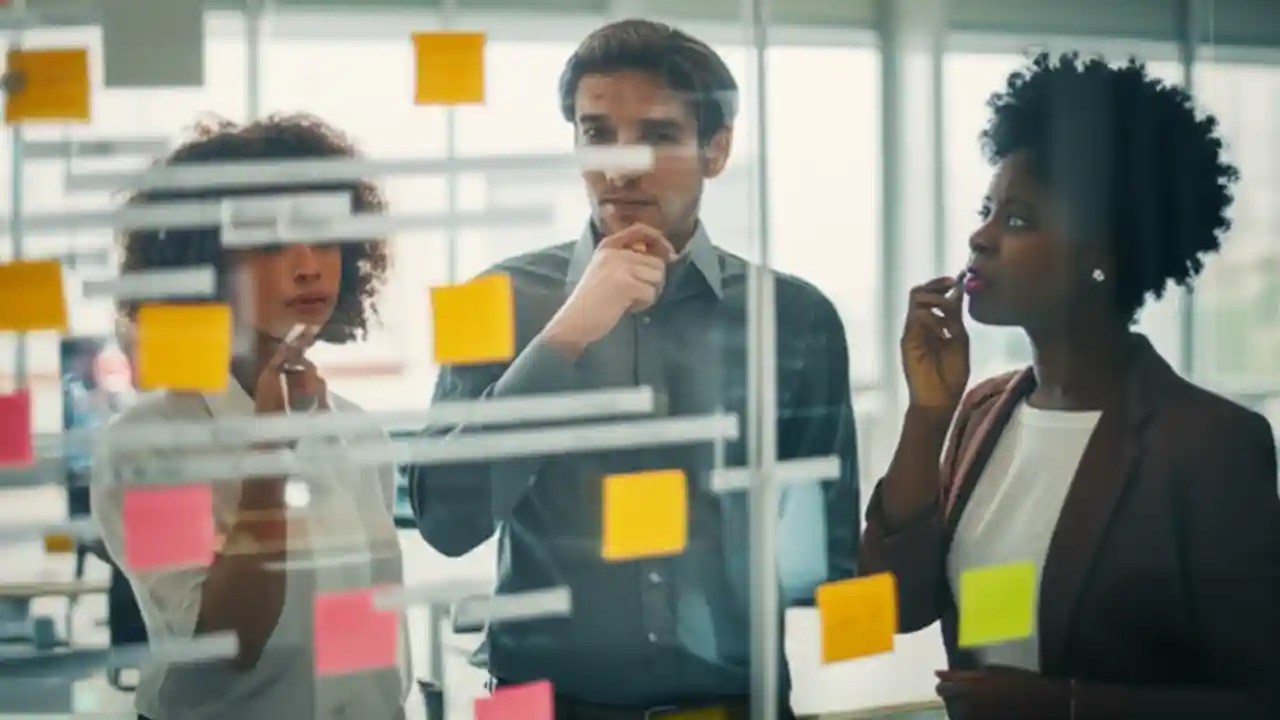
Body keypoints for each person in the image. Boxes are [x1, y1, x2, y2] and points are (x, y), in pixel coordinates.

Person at [409, 19, 858, 720]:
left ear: (716, 149)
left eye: (657, 134)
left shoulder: (795, 318)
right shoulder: (489, 301)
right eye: (597, 135)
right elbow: (447, 522)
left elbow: (822, 558)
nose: (621, 166)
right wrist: (565, 337)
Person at [861, 53, 1279, 719]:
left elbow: (1259, 699)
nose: (980, 236)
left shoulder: (1209, 443)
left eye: (1018, 220)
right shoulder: (982, 412)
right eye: (987, 210)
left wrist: (1070, 706)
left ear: (1102, 258)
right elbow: (896, 604)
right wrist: (928, 414)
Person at [91, 114, 411, 720]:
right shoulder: (148, 445)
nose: (309, 265)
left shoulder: (356, 431)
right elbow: (223, 644)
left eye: (323, 236)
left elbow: (369, 646)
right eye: (267, 244)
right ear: (206, 267)